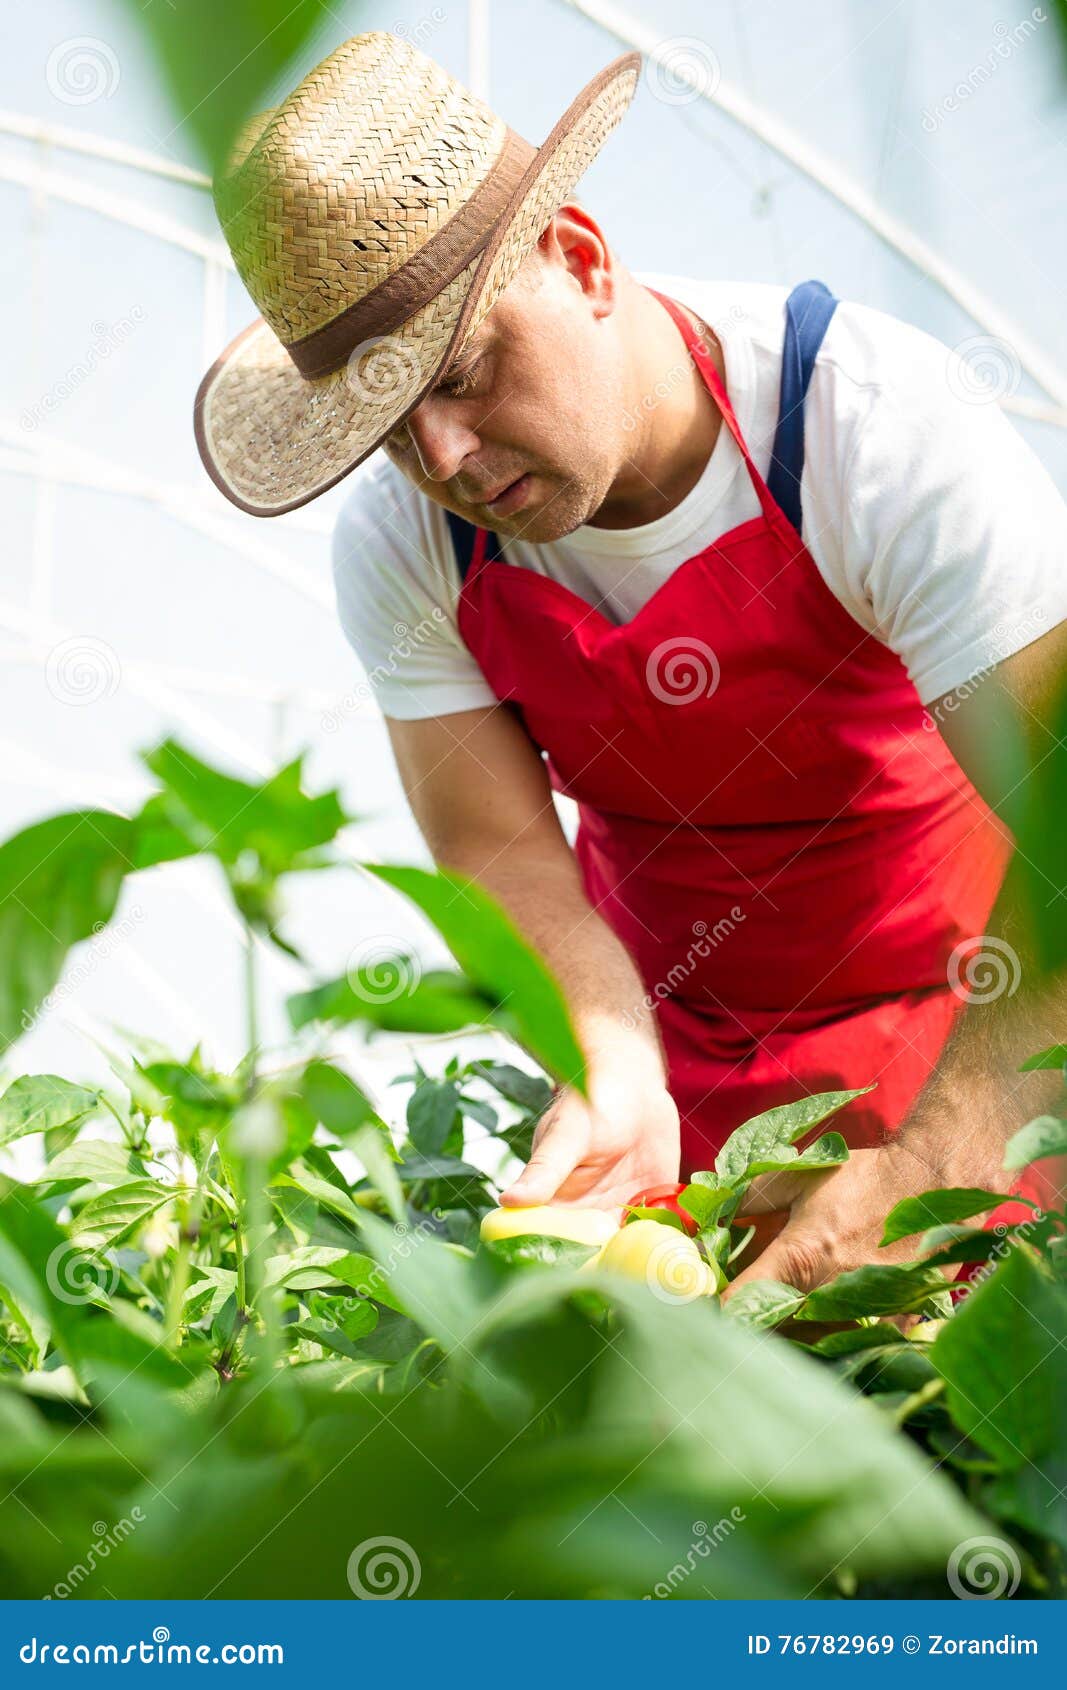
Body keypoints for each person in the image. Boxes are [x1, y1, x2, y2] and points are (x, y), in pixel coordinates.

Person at [194, 32, 1067, 1295]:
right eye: (388, 431)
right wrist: (604, 1060)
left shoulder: (872, 434)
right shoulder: (410, 545)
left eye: (465, 376)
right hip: (688, 1076)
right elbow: (496, 849)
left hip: (985, 1027)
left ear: (583, 260)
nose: (441, 458)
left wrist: (940, 1151)